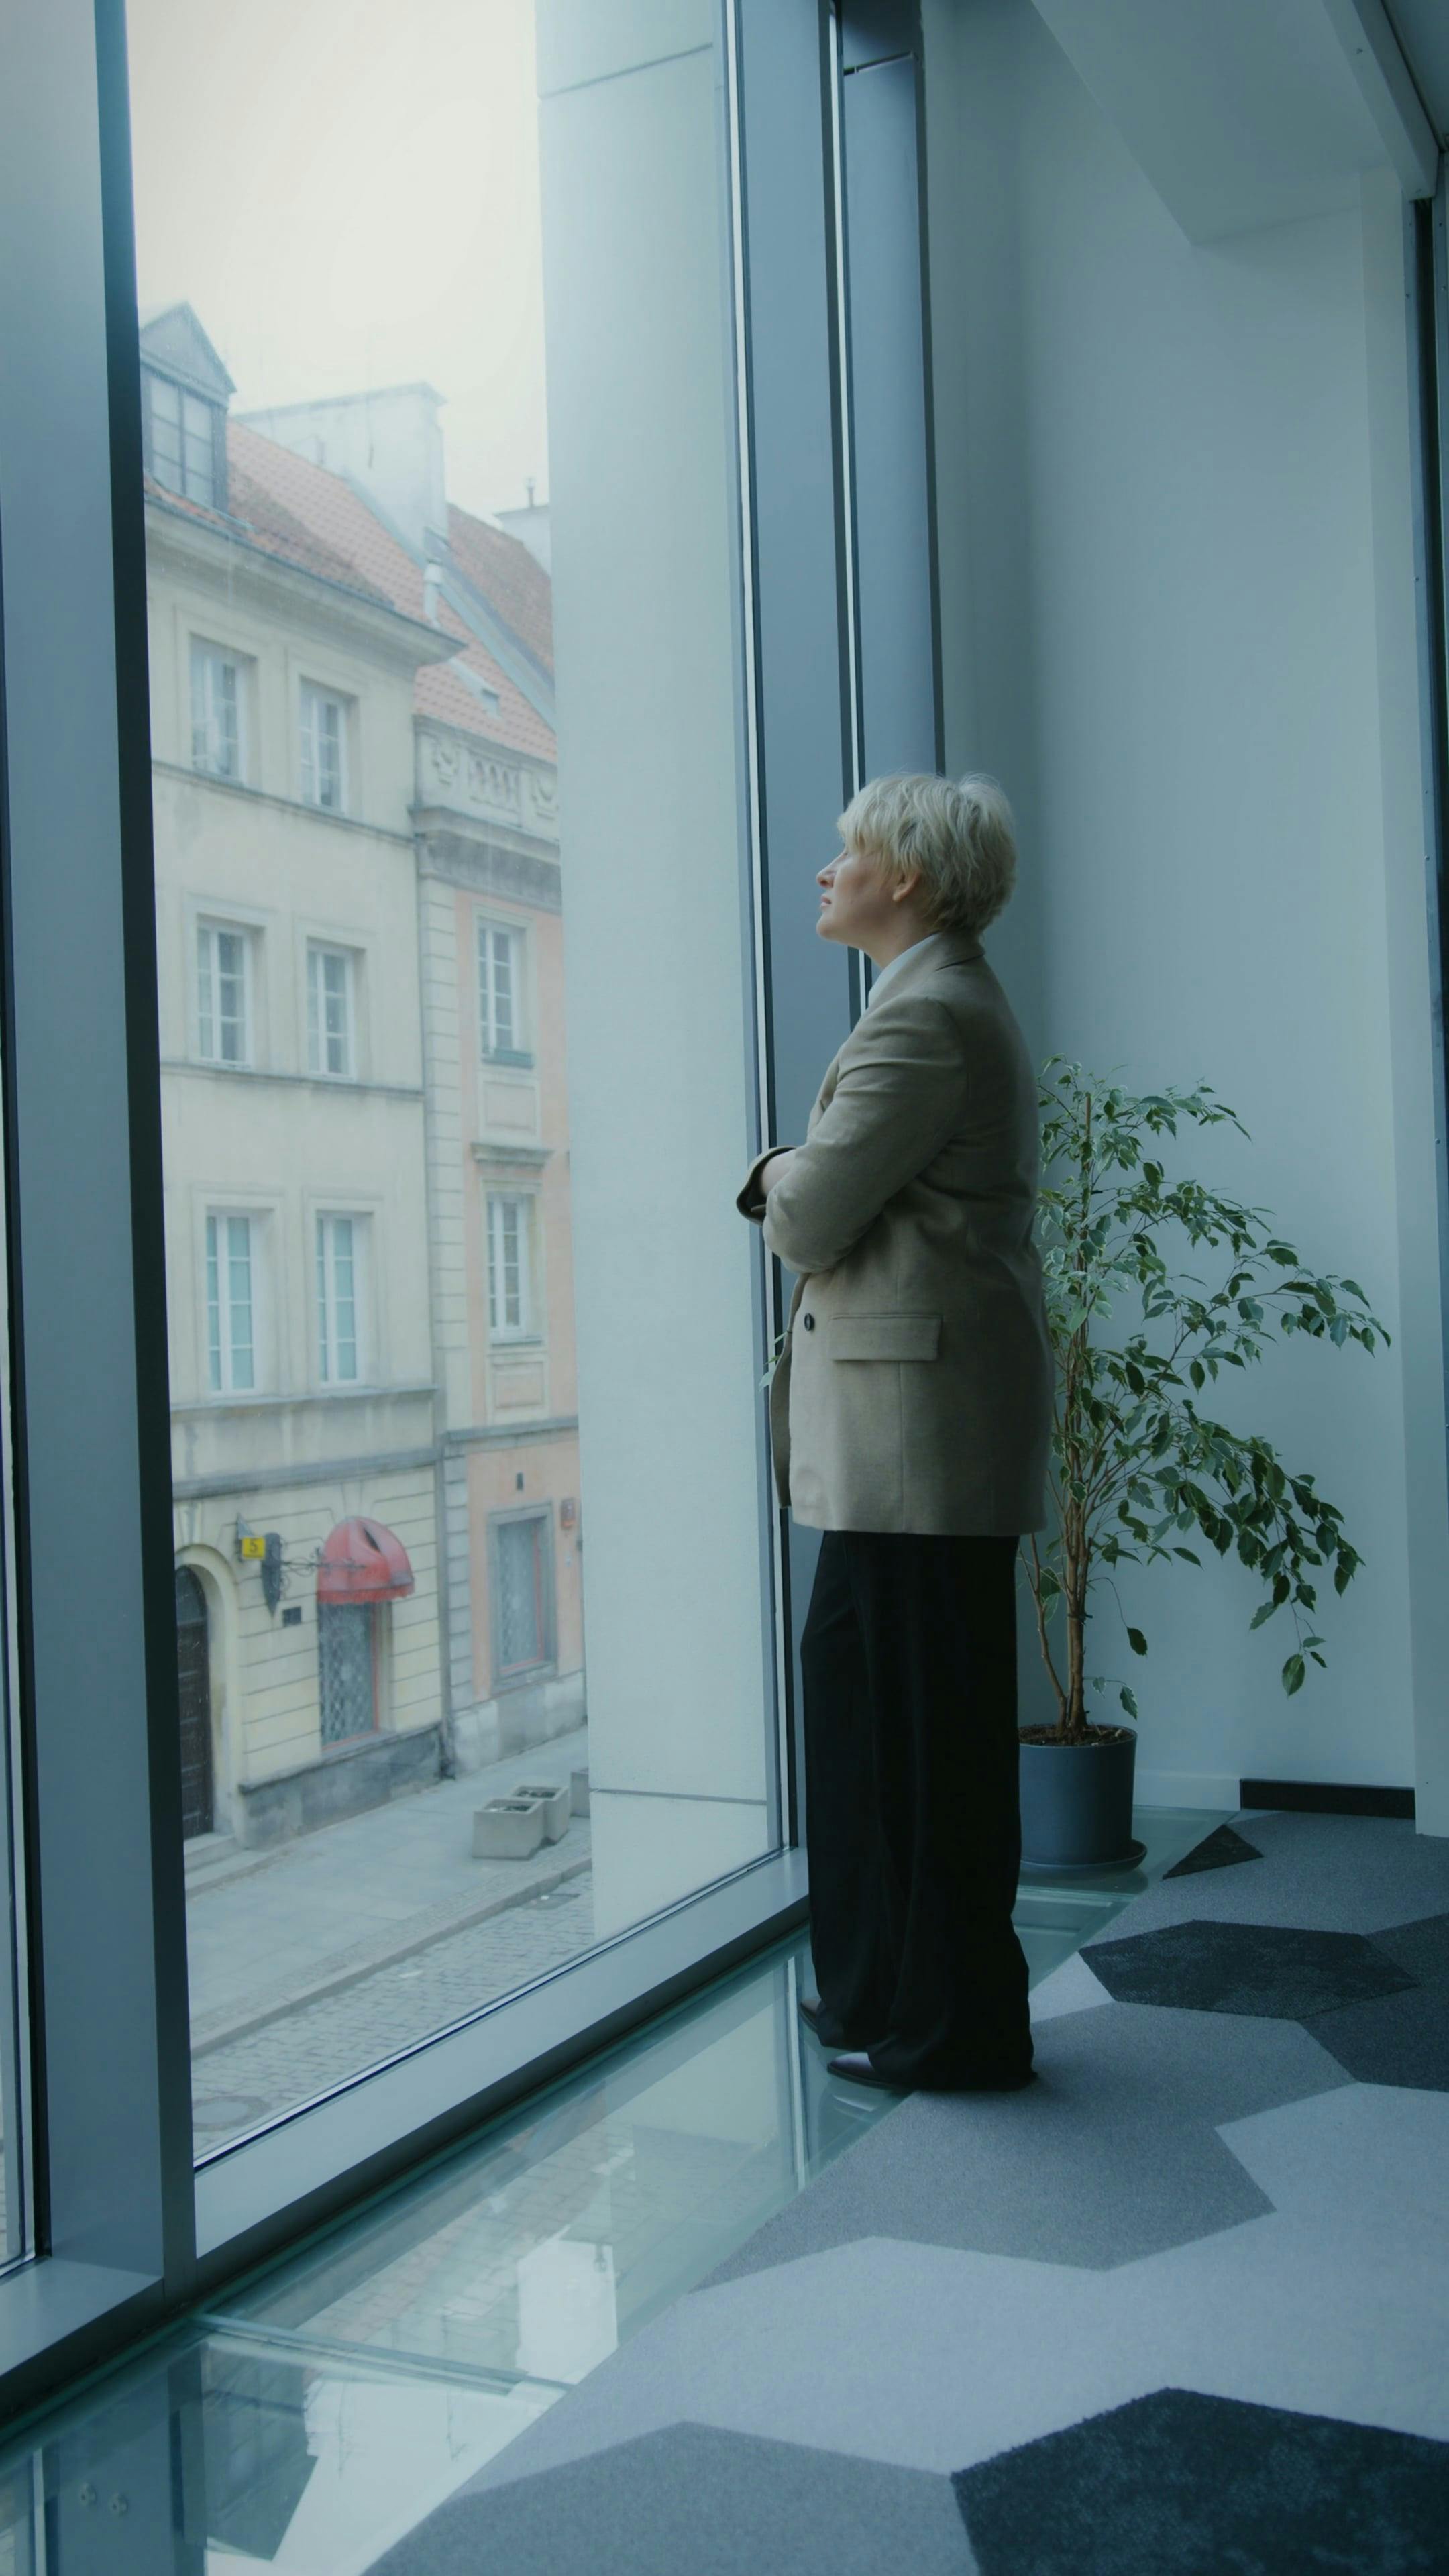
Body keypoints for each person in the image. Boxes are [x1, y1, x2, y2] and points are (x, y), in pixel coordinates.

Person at [735, 772, 1053, 2091]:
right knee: (870, 1725)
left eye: (847, 854)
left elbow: (808, 1218)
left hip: (914, 1445)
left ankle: (958, 2029)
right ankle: (877, 1989)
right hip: (897, 1441)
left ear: (907, 877)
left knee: (930, 1750)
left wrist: (765, 1174)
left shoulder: (924, 1019)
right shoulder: (929, 1003)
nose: (826, 873)